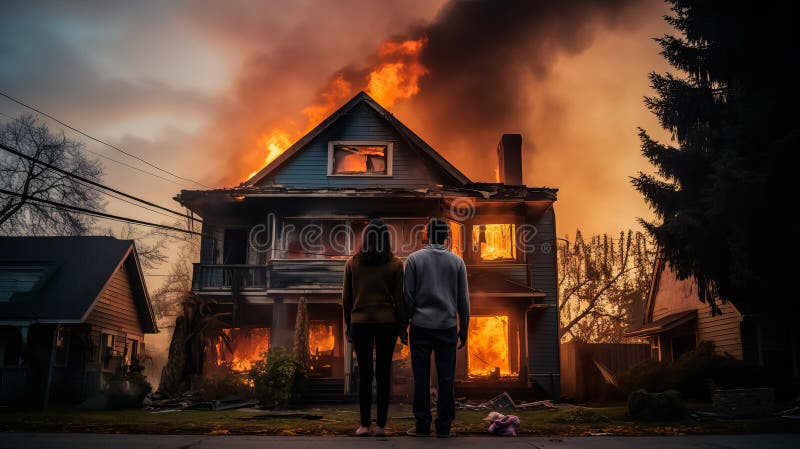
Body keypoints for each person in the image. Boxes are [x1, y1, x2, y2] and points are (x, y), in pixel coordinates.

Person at [342, 218, 408, 437]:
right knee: (383, 374)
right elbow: (400, 299)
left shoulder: (352, 263)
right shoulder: (396, 264)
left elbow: (346, 299)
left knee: (364, 374)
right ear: (386, 239)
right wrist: (403, 326)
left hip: (360, 324)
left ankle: (363, 426)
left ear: (366, 238)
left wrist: (349, 324)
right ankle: (380, 426)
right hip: (387, 324)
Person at [404, 218, 469, 438]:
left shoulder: (414, 259)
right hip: (447, 326)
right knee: (446, 378)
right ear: (446, 237)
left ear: (427, 235)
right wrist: (464, 328)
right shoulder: (457, 262)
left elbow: (408, 297)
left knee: (421, 378)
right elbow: (463, 300)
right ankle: (444, 426)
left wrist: (405, 324)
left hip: (420, 326)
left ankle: (422, 425)